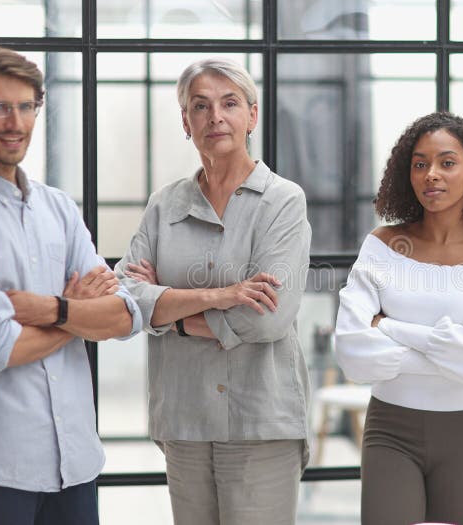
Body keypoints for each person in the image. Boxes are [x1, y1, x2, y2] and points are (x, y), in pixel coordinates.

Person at [0, 46, 142, 525]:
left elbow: (124, 316)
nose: (16, 122)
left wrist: (47, 309)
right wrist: (76, 311)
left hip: (76, 460)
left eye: (27, 106)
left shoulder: (59, 208)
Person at [114, 57, 311, 525]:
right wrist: (219, 297)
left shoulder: (283, 201)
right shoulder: (165, 205)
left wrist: (167, 311)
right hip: (184, 414)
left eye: (229, 104)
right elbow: (124, 294)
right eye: (200, 106)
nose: (215, 117)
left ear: (252, 116)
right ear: (186, 121)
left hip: (260, 419)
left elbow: (267, 318)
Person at [334, 111, 463, 525]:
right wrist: (450, 350)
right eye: (420, 164)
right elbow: (350, 349)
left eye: (446, 163)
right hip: (390, 427)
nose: (431, 174)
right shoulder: (381, 245)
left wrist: (387, 327)